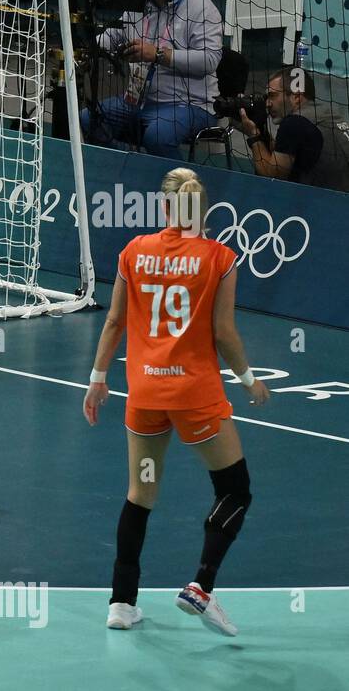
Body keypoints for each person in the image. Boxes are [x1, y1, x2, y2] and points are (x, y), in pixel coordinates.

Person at [83, 167, 270, 637]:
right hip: (195, 398)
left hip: (145, 395)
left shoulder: (134, 252)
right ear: (202, 211)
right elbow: (223, 333)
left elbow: (113, 322)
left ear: (165, 208)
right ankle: (201, 587)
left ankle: (122, 603)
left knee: (140, 496)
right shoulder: (220, 258)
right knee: (234, 489)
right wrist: (248, 379)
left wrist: (98, 379)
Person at [82, 0, 222, 159]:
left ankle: (180, 188)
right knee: (89, 119)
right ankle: (126, 168)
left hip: (191, 105)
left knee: (157, 135)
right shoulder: (139, 3)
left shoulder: (201, 7)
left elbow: (209, 60)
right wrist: (88, 47)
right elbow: (113, 36)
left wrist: (157, 55)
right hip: (140, 100)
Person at [235, 65, 349, 193]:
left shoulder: (294, 123)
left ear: (296, 97)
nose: (267, 104)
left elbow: (272, 177)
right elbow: (284, 150)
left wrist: (253, 135)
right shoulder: (328, 114)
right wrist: (262, 133)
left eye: (272, 96)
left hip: (327, 205)